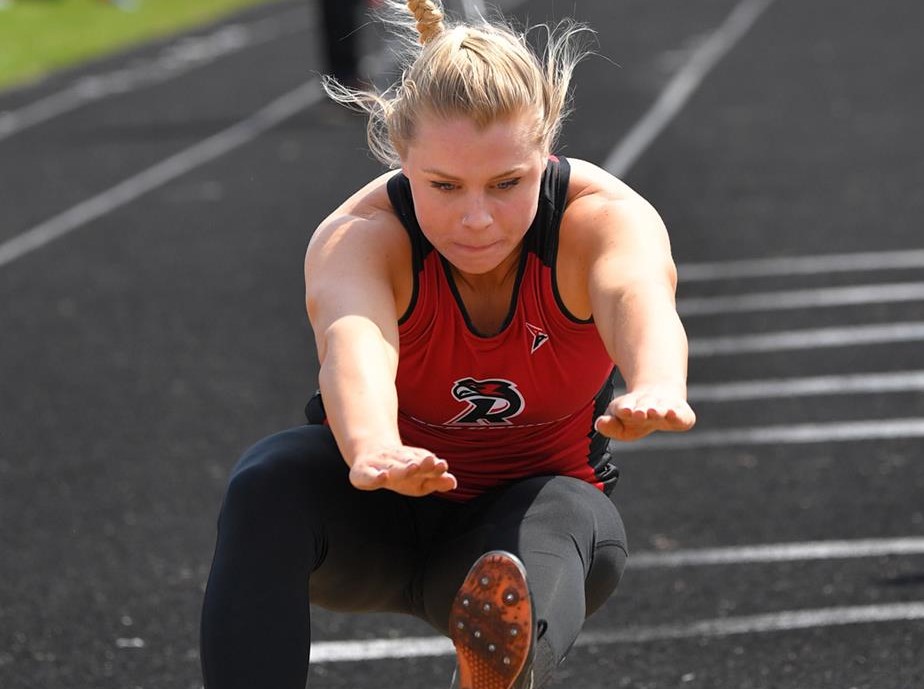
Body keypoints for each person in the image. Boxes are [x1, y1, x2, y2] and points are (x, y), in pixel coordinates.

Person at [199, 1, 696, 687]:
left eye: (506, 184)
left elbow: (636, 295)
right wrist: (374, 445)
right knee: (268, 478)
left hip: (525, 542)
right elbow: (356, 344)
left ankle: (492, 674)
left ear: (545, 152)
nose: (476, 218)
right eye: (442, 186)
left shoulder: (600, 221)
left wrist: (656, 381)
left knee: (572, 511)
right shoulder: (363, 236)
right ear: (401, 158)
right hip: (377, 518)